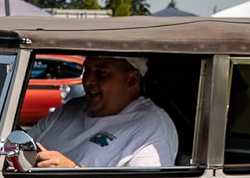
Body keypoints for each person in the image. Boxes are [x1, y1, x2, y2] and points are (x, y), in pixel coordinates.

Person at [28, 54, 178, 168]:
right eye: (87, 70)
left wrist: (72, 172)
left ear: (132, 79)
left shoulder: (152, 127)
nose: (87, 81)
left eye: (101, 72)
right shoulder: (71, 108)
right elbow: (24, 144)